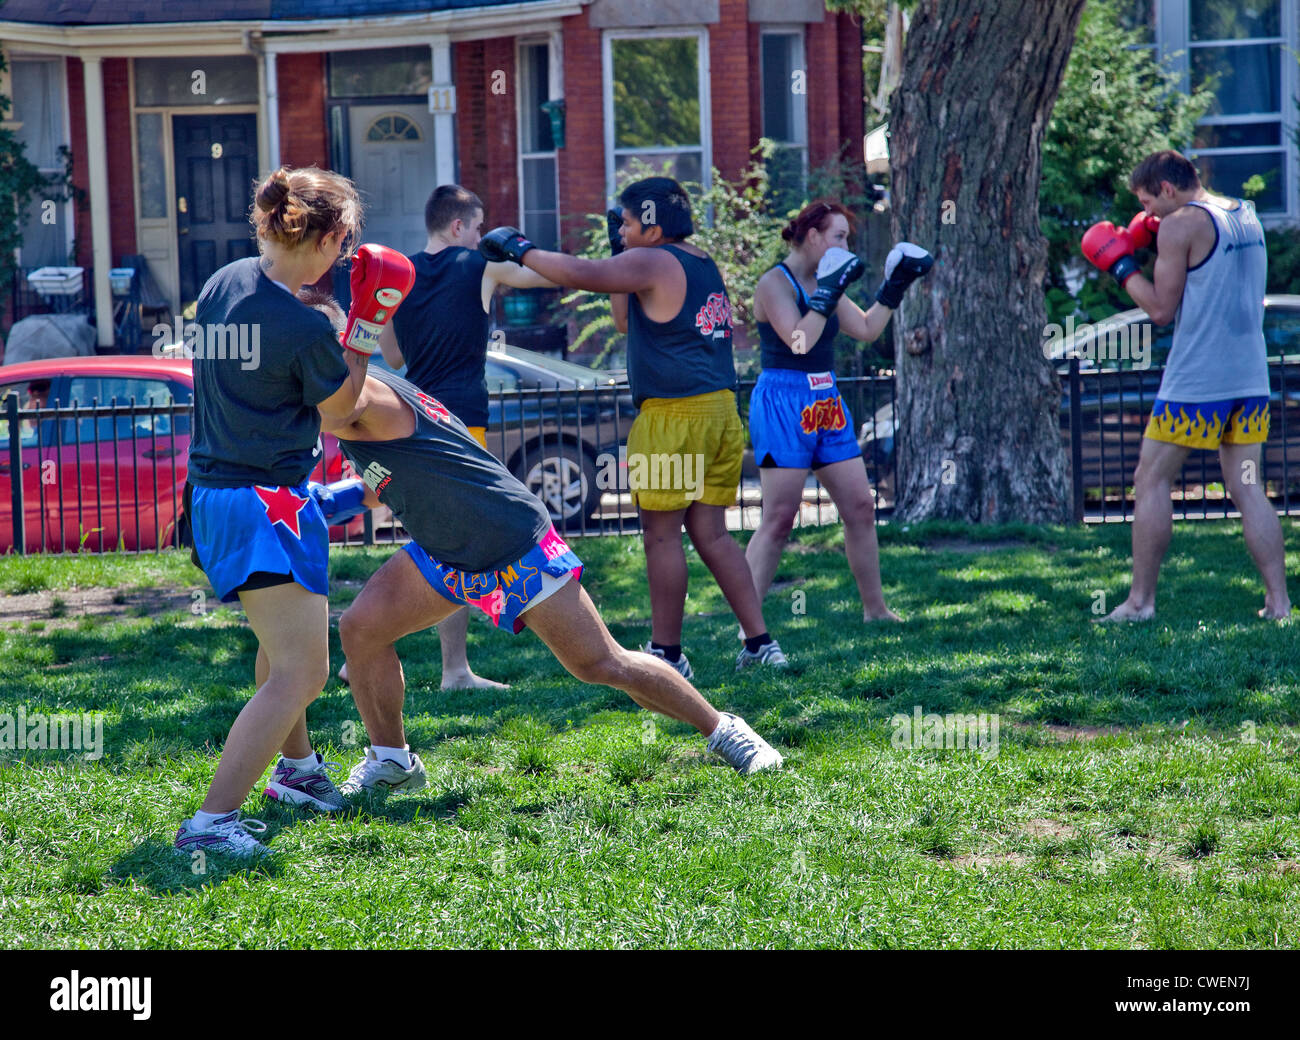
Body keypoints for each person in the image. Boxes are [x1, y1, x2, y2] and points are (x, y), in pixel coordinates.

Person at [295, 294, 783, 792]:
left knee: (601, 663)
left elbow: (335, 413)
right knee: (361, 629)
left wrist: (364, 327)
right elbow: (384, 483)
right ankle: (392, 761)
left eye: (291, 349)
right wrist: (331, 501)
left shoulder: (360, 397)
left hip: (507, 541)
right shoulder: (347, 397)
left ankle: (725, 730)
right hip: (445, 551)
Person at [173, 166, 413, 859]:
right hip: (261, 502)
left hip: (219, 491)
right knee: (303, 672)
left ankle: (300, 771)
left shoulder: (227, 281)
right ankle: (212, 821)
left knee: (279, 653)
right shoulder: (299, 325)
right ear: (333, 236)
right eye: (345, 241)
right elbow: (345, 412)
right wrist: (365, 329)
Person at [477, 177, 788, 679]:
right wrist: (621, 244)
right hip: (720, 413)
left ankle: (666, 653)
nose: (619, 230)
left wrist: (521, 249)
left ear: (652, 224)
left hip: (673, 418)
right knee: (712, 534)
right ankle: (761, 643)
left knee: (661, 539)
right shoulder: (699, 261)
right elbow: (623, 320)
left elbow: (584, 274)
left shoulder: (654, 260)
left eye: (625, 222)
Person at [336, 184, 557, 692]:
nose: (481, 235)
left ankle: (389, 650)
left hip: (410, 419)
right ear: (459, 227)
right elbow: (542, 275)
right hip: (461, 421)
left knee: (435, 543)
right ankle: (445, 668)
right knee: (459, 546)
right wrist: (516, 248)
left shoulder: (401, 274)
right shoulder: (478, 264)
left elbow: (391, 358)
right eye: (478, 227)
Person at [1082, 149, 1291, 621]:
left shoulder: (1181, 225)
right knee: (1248, 486)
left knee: (1150, 479)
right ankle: (1279, 603)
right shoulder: (1246, 213)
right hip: (1250, 375)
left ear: (1168, 189)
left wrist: (1119, 265)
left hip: (1198, 378)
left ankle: (1140, 603)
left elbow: (1159, 310)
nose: (1146, 214)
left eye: (1147, 202)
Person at [745, 199, 931, 625]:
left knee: (860, 507)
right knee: (778, 518)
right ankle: (749, 627)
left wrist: (893, 287)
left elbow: (866, 329)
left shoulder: (827, 280)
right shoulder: (775, 282)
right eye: (839, 236)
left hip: (826, 400)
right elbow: (798, 342)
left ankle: (876, 611)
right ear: (813, 237)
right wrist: (827, 293)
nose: (847, 245)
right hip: (783, 400)